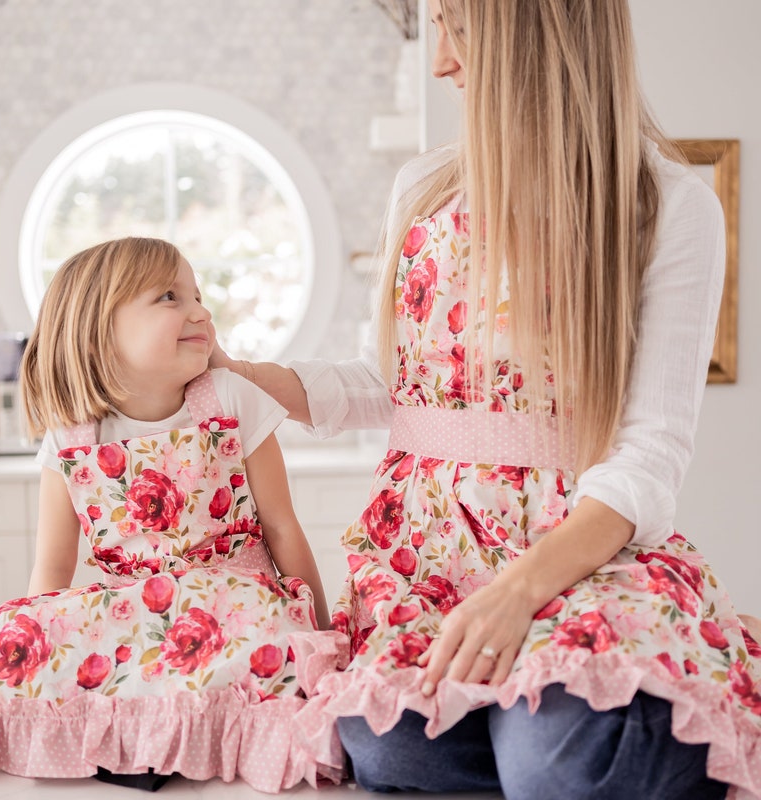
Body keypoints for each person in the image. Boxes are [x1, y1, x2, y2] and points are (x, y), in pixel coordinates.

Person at [213, 2, 761, 798]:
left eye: (458, 28)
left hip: (575, 558)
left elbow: (649, 455)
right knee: (391, 751)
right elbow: (388, 384)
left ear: (536, 34)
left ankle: (667, 695)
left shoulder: (664, 205)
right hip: (431, 560)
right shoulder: (422, 190)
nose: (442, 62)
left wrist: (517, 595)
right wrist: (253, 377)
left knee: (555, 764)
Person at [0, 237, 342, 792]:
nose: (201, 311)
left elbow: (283, 528)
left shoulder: (231, 398)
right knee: (4, 628)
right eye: (169, 296)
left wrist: (322, 636)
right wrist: (39, 650)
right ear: (98, 325)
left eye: (198, 295)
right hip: (142, 617)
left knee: (270, 632)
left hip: (237, 608)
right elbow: (51, 573)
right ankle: (125, 727)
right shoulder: (71, 436)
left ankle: (184, 719)